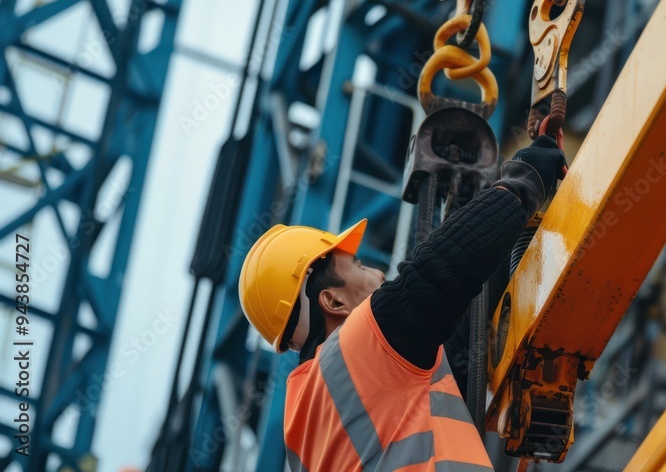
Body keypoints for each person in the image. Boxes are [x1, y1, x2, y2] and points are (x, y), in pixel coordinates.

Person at [239, 136, 567, 471]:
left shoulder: (313, 423)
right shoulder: (350, 354)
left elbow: (460, 346)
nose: (379, 274)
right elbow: (437, 273)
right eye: (359, 266)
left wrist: (511, 232)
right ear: (332, 300)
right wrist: (523, 183)